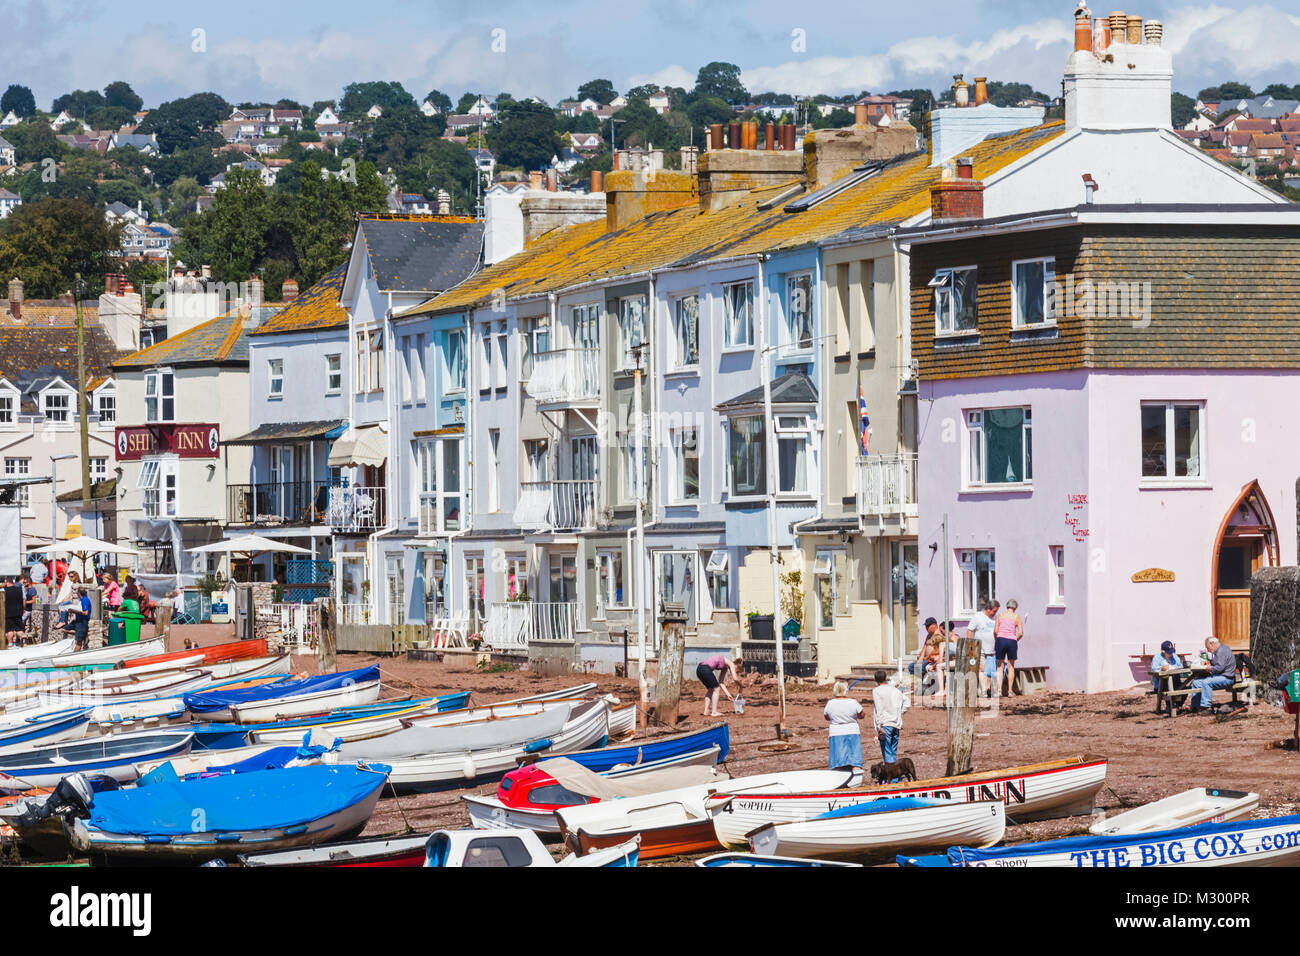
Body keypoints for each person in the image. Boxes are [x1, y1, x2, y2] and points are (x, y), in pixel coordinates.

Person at [824, 681, 865, 779]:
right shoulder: (853, 702)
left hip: (836, 732)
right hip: (852, 731)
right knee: (855, 759)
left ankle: (839, 780)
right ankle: (856, 779)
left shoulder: (830, 703)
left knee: (837, 759)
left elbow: (826, 717)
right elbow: (862, 714)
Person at [871, 669, 910, 770]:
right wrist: (899, 713)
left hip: (885, 724)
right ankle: (895, 775)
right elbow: (907, 701)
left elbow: (879, 708)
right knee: (893, 750)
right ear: (886, 678)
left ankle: (891, 777)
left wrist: (879, 726)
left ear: (875, 680)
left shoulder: (876, 691)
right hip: (895, 724)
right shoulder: (895, 690)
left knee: (886, 751)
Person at [1189, 637, 1237, 713]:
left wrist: (1210, 668)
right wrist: (1209, 662)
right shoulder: (1220, 649)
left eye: (1207, 647)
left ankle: (1206, 707)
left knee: (1206, 682)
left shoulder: (1222, 651)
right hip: (1222, 676)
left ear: (1211, 644)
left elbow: (1220, 668)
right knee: (1196, 683)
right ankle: (1195, 706)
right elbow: (1217, 662)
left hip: (1227, 677)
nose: (1207, 650)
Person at [967, 599, 1000, 697]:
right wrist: (970, 646)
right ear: (988, 609)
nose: (995, 613)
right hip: (980, 649)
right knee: (981, 669)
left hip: (993, 650)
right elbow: (970, 631)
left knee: (991, 671)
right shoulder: (978, 616)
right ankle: (984, 691)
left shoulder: (996, 618)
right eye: (994, 611)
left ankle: (989, 689)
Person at [696, 654, 742, 718]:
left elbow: (721, 682)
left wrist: (728, 694)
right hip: (705, 669)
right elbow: (735, 678)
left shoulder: (725, 667)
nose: (735, 672)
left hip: (699, 669)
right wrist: (741, 685)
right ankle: (714, 712)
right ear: (736, 666)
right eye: (737, 671)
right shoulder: (731, 664)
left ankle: (706, 711)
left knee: (711, 689)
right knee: (716, 689)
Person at [994, 599, 1024, 696]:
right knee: (1011, 666)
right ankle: (1010, 691)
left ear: (1007, 606)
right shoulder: (1016, 617)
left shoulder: (1000, 615)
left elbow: (995, 631)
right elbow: (1021, 633)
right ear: (1015, 608)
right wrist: (1015, 639)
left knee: (999, 666)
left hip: (1000, 640)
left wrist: (997, 639)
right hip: (1012, 641)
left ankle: (999, 690)